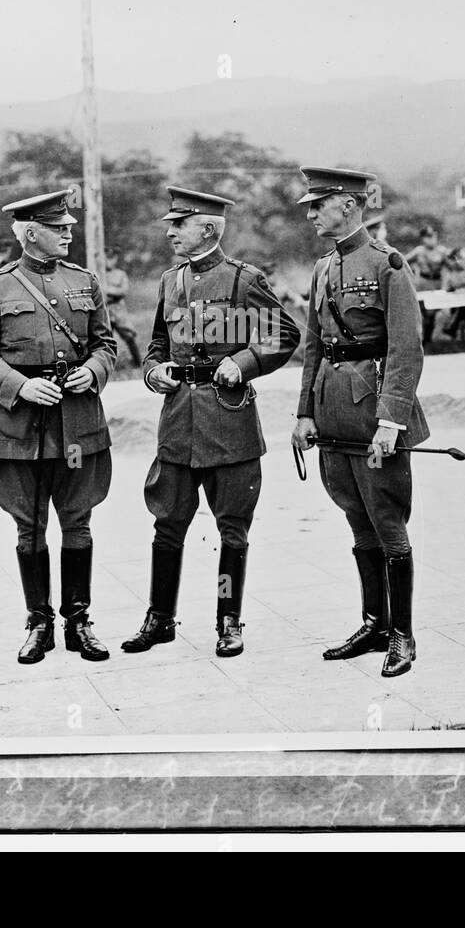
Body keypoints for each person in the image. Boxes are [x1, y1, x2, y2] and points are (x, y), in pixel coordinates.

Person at [122, 187, 300, 659]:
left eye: (177, 224)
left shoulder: (244, 279)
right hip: (179, 420)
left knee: (232, 529)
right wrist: (153, 370)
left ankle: (227, 621)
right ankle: (159, 619)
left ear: (207, 227)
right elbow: (157, 344)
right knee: (167, 524)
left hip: (230, 421)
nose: (169, 232)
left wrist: (244, 361)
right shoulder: (169, 282)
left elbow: (284, 333)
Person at [0, 190, 118, 664]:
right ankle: (39, 623)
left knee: (78, 522)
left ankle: (79, 621)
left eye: (69, 226)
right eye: (60, 228)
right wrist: (19, 387)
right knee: (28, 527)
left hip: (77, 422)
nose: (70, 233)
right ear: (31, 233)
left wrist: (93, 371)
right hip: (22, 426)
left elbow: (105, 344)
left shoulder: (86, 281)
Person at [290, 166, 428, 678]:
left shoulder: (388, 264)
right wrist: (305, 411)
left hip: (374, 415)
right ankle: (374, 623)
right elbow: (312, 347)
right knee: (356, 518)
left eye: (317, 204)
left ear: (348, 205)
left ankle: (402, 635)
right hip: (332, 412)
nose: (310, 213)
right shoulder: (323, 268)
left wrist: (391, 421)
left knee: (388, 525)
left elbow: (406, 349)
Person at [405, 225, 447, 350]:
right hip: (423, 283)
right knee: (422, 313)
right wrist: (410, 276)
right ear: (423, 239)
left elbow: (453, 264)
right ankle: (421, 343)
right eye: (427, 237)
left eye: (433, 237)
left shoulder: (442, 251)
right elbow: (402, 262)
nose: (431, 240)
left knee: (437, 312)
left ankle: (433, 339)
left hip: (438, 282)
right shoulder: (419, 251)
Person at [102, 247, 143, 366]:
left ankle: (137, 362)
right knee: (104, 339)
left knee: (129, 336)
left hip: (118, 310)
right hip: (104, 311)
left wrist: (107, 290)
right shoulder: (98, 273)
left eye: (111, 258)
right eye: (106, 258)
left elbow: (123, 291)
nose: (108, 262)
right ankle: (106, 365)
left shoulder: (120, 274)